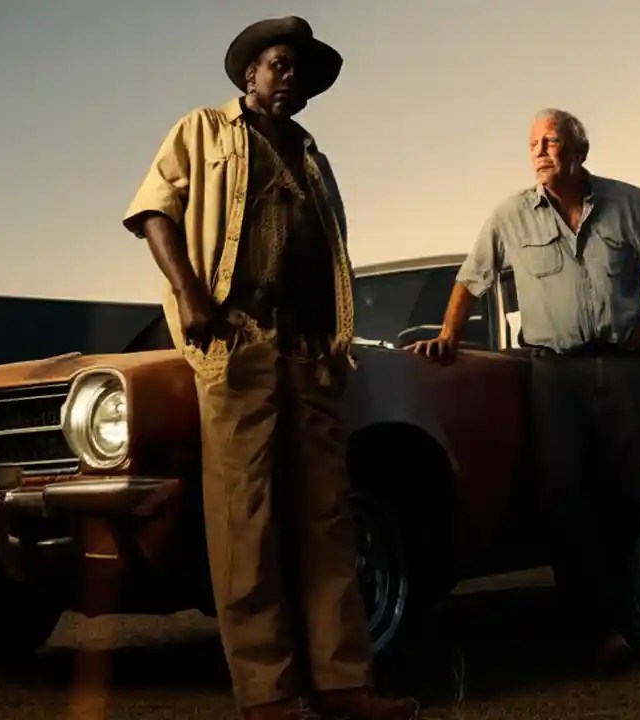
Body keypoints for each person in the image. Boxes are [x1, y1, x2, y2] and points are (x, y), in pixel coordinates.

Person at [121, 15, 419, 720]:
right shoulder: (203, 131)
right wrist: (191, 296)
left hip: (313, 352)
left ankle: (345, 682)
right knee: (246, 520)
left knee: (326, 518)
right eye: (278, 64)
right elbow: (155, 210)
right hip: (239, 343)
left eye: (299, 70)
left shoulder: (314, 156)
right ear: (249, 74)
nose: (289, 77)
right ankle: (269, 693)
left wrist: (338, 342)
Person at [409, 108, 640, 671]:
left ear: (580, 150)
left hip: (626, 369)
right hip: (553, 375)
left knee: (626, 504)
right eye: (532, 143)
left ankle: (630, 631)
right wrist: (446, 335)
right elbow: (471, 280)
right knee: (567, 503)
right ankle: (597, 635)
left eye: (552, 140)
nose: (540, 151)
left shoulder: (629, 203)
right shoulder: (510, 216)